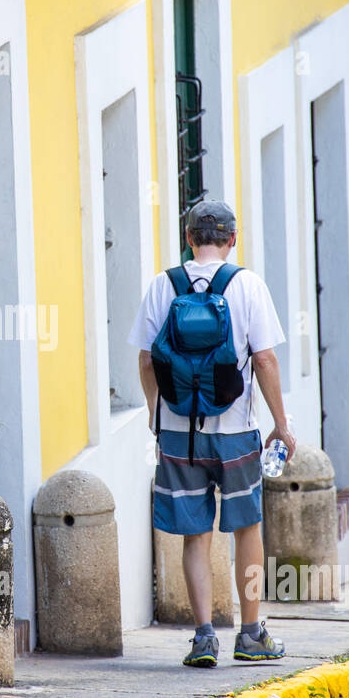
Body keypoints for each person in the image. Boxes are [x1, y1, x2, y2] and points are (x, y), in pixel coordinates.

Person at [128, 200, 295, 667]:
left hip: (178, 432)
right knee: (247, 527)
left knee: (194, 533)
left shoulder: (164, 285)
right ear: (232, 239)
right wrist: (281, 424)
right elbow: (264, 359)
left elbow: (146, 359)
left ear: (188, 239)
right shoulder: (247, 285)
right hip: (236, 430)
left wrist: (155, 411)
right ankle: (250, 632)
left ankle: (203, 637)